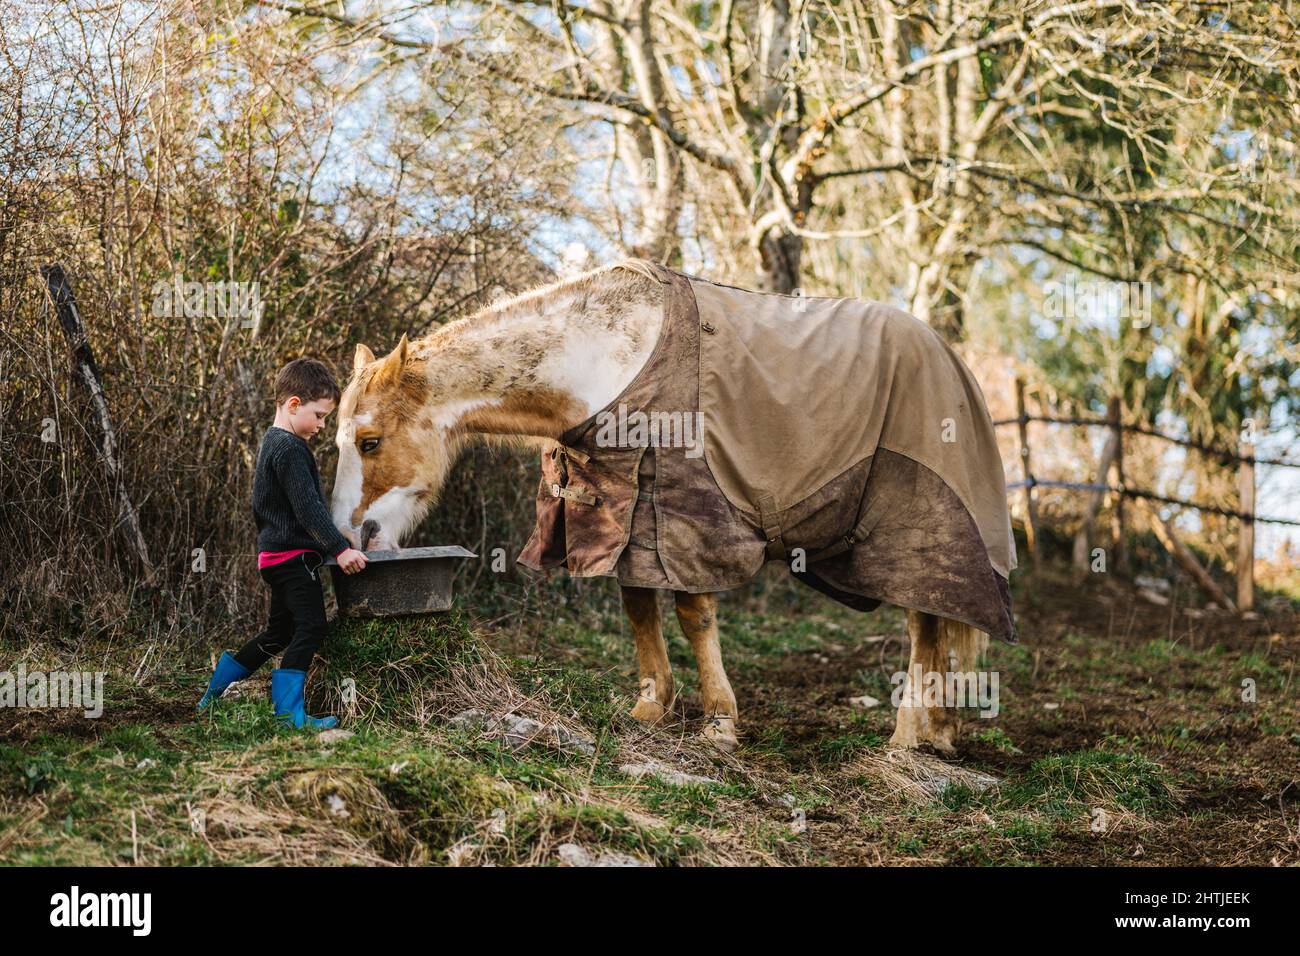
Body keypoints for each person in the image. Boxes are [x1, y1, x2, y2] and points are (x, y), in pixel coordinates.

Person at [197, 357, 368, 727]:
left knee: (280, 632)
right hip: (293, 560)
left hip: (274, 558)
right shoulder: (290, 449)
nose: (323, 426)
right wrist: (340, 550)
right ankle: (289, 716)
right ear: (293, 405)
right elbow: (308, 510)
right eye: (320, 415)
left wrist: (337, 539)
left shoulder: (271, 442)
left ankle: (212, 693)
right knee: (312, 627)